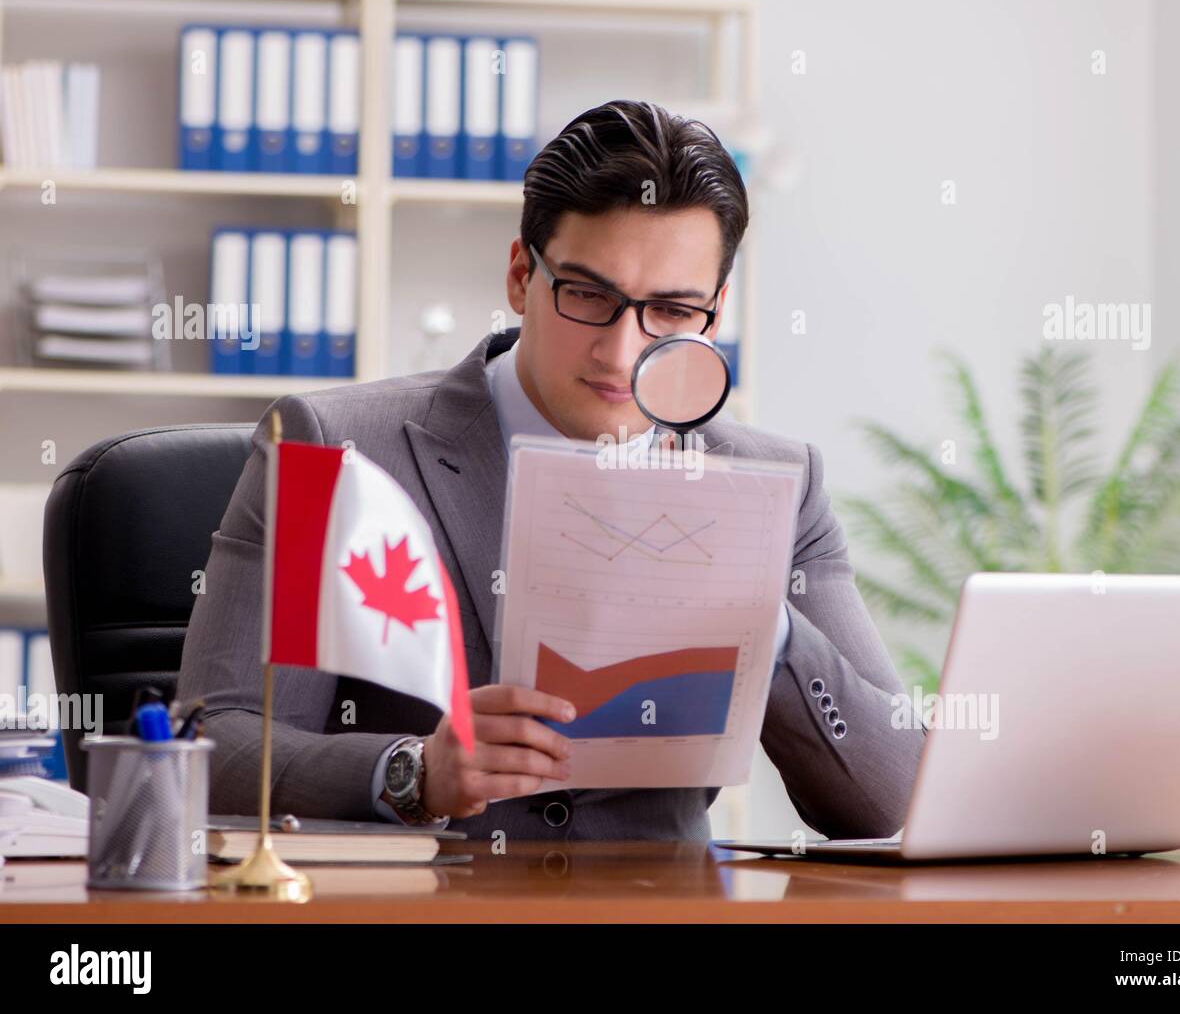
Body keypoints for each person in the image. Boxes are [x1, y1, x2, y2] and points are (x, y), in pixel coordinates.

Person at [176, 99, 924, 841]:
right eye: (589, 294)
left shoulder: (777, 487)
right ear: (518, 276)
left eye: (670, 312)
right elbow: (215, 749)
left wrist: (775, 629)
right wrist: (414, 773)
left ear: (714, 316)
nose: (621, 353)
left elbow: (893, 802)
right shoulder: (332, 451)